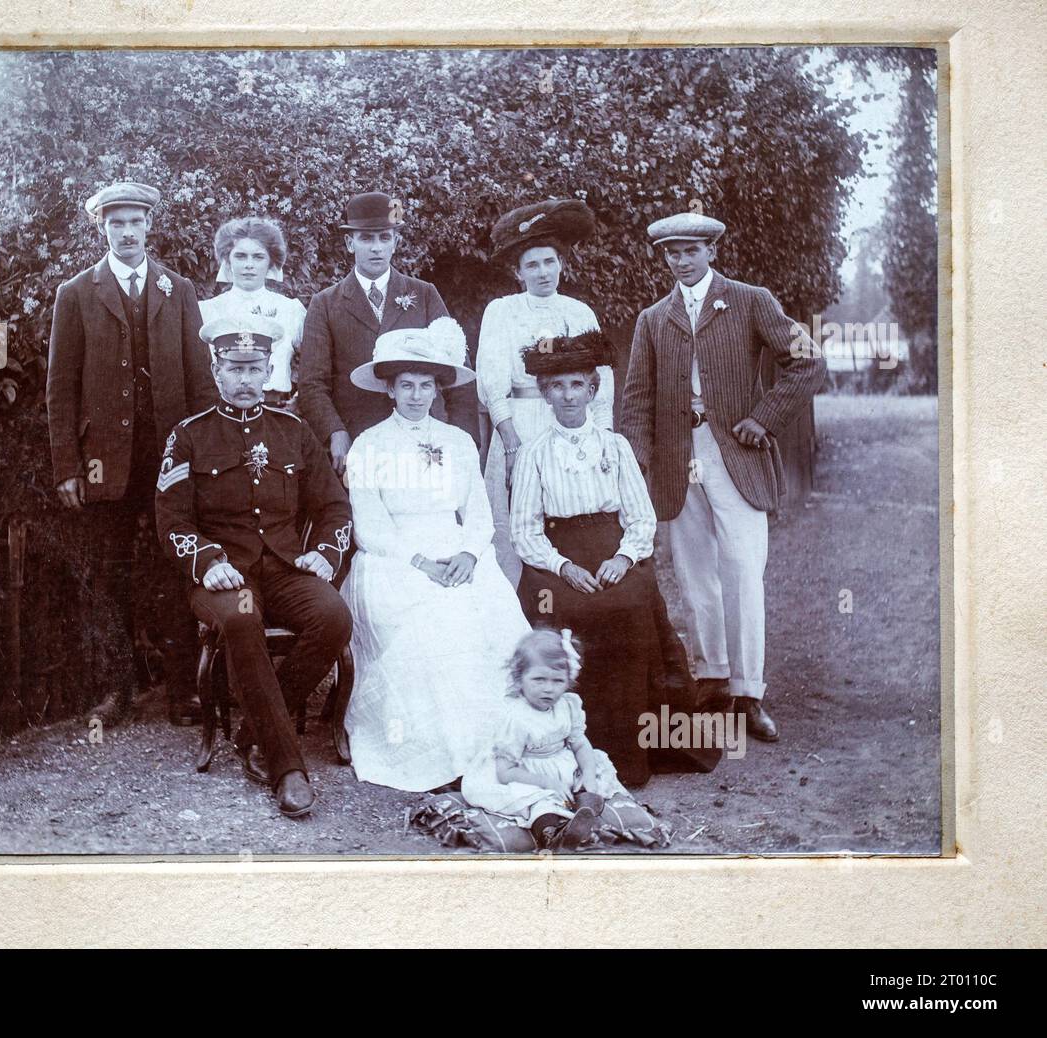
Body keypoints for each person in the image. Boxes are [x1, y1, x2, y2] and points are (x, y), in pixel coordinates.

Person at [620, 212, 827, 741]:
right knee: (694, 576)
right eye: (672, 253)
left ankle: (748, 690)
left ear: (711, 250)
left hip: (735, 453)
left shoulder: (750, 299)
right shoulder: (653, 319)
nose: (681, 260)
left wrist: (764, 418)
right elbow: (637, 400)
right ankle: (710, 680)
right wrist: (638, 464)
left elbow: (808, 362)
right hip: (676, 459)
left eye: (691, 250)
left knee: (741, 571)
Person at [154, 315, 354, 818]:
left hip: (285, 569)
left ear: (268, 369)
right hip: (226, 577)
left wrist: (326, 554)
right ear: (215, 369)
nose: (244, 380)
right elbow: (171, 520)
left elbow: (334, 508)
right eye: (233, 368)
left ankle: (253, 734)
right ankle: (286, 766)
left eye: (254, 368)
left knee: (333, 617)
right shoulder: (189, 436)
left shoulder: (294, 432)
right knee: (243, 618)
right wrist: (208, 560)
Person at [46, 181, 216, 727]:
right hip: (104, 462)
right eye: (115, 222)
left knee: (176, 566)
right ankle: (115, 693)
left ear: (149, 225)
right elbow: (60, 388)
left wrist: (204, 454)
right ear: (103, 227)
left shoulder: (178, 288)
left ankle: (184, 692)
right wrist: (68, 466)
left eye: (135, 221)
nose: (126, 231)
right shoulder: (76, 293)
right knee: (110, 574)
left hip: (170, 458)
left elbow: (199, 378)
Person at [510, 329, 710, 787]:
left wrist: (623, 559)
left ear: (592, 390)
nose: (567, 395)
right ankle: (565, 747)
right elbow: (524, 530)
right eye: (557, 386)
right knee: (569, 610)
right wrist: (563, 566)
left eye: (577, 385)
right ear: (544, 393)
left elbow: (642, 518)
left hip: (613, 551)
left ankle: (631, 753)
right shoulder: (533, 454)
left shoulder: (616, 447)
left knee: (631, 606)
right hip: (556, 558)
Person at [340, 317, 532, 792]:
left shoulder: (458, 441)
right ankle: (441, 749)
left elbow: (480, 514)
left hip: (457, 551)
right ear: (389, 389)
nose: (417, 395)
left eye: (426, 385)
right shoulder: (370, 445)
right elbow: (369, 525)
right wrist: (420, 563)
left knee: (492, 616)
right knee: (435, 623)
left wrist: (469, 553)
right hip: (392, 559)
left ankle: (499, 746)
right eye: (406, 385)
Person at [476, 199, 614, 584]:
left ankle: (570, 613)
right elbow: (491, 382)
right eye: (532, 265)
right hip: (519, 424)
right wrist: (511, 443)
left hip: (572, 427)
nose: (542, 272)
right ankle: (517, 622)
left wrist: (603, 441)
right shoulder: (501, 311)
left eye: (549, 261)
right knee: (513, 525)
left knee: (569, 516)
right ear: (518, 273)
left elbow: (601, 386)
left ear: (562, 264)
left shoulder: (579, 312)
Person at [299, 190, 479, 477]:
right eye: (366, 238)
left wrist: (462, 438)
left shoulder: (424, 294)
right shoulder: (325, 303)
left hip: (424, 437)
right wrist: (334, 432)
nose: (376, 248)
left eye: (384, 238)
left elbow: (458, 373)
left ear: (395, 242)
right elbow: (312, 383)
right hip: (358, 440)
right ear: (349, 242)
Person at [461, 629, 631, 851]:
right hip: (526, 773)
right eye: (539, 679)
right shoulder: (516, 718)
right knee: (539, 802)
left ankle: (584, 808)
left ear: (568, 680)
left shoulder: (568, 705)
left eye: (558, 680)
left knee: (594, 772)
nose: (548, 689)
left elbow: (579, 743)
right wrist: (548, 783)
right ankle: (552, 834)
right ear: (519, 678)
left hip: (562, 765)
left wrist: (588, 775)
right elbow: (505, 773)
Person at [199, 217, 307, 410]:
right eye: (240, 256)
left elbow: (317, 365)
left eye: (258, 257)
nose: (249, 265)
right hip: (219, 414)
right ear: (227, 260)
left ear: (271, 262)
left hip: (277, 412)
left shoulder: (291, 309)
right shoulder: (206, 310)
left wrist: (299, 401)